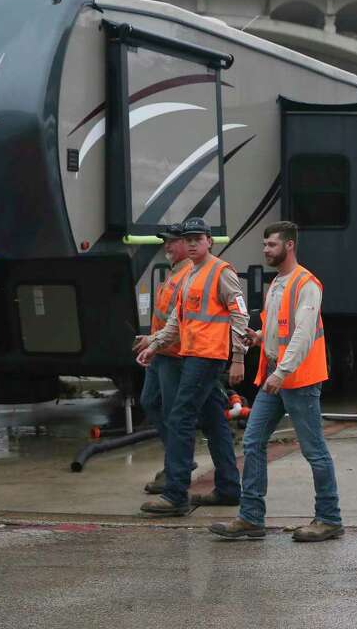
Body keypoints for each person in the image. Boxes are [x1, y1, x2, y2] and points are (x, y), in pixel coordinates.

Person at [210, 221, 343, 542]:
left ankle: (329, 518)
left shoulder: (307, 283)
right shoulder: (277, 285)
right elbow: (278, 330)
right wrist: (258, 338)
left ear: (289, 246)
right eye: (265, 245)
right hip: (275, 376)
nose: (265, 250)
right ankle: (251, 518)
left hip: (297, 379)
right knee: (253, 442)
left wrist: (281, 371)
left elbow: (303, 332)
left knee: (314, 451)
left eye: (271, 245)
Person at [136, 217, 246, 516]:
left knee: (181, 417)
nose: (194, 243)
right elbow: (176, 321)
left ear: (209, 241)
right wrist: (155, 345)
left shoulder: (221, 272)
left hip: (207, 358)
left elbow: (240, 317)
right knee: (213, 419)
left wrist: (238, 358)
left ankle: (176, 494)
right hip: (191, 355)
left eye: (199, 238)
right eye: (190, 239)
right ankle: (228, 488)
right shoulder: (190, 275)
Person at [132, 223, 196, 495]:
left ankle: (175, 470)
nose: (167, 247)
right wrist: (150, 340)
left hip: (174, 355)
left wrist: (155, 342)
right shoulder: (174, 273)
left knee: (173, 414)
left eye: (172, 242)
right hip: (160, 352)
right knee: (149, 402)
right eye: (165, 242)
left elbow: (181, 320)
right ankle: (179, 460)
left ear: (186, 244)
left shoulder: (189, 275)